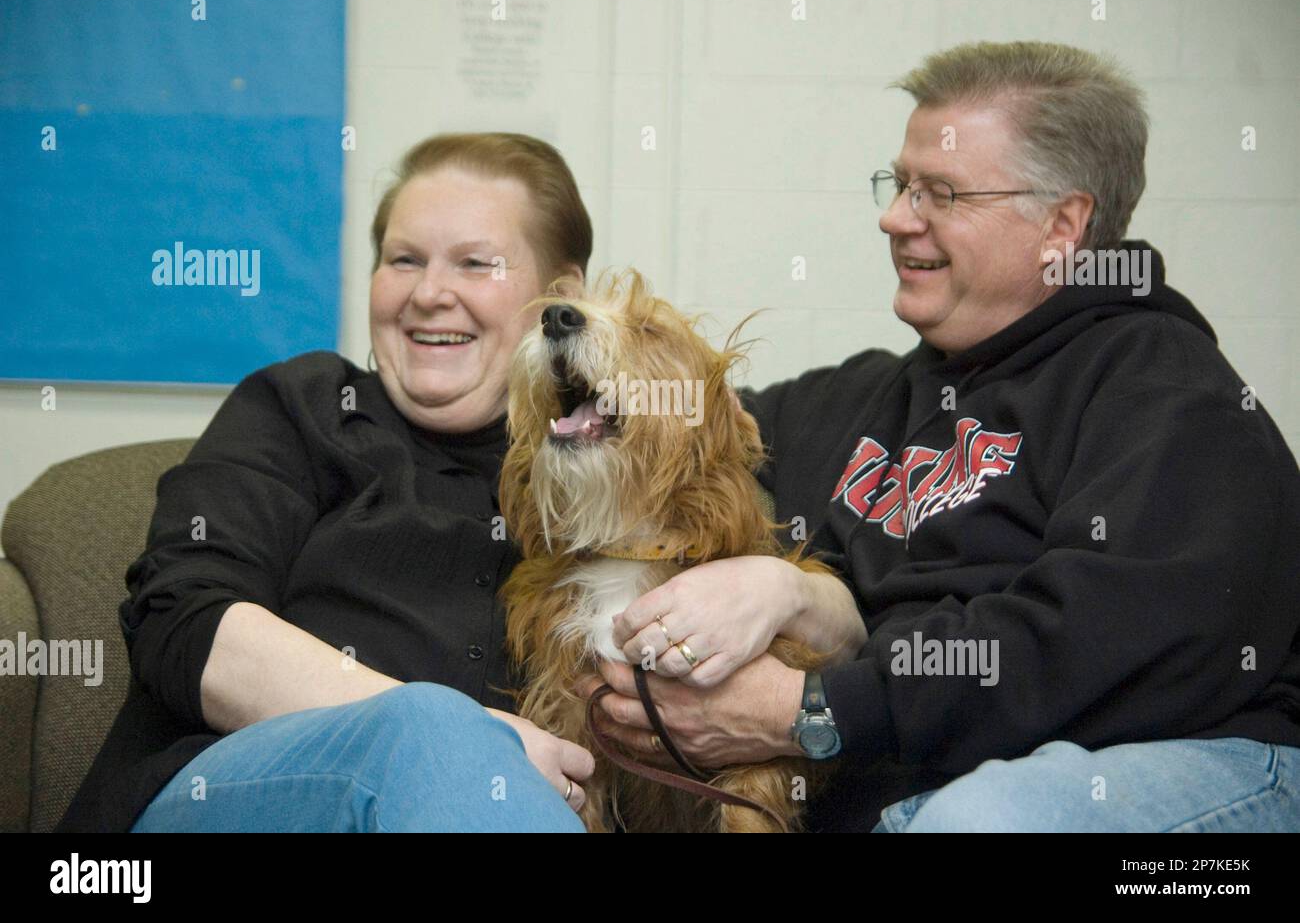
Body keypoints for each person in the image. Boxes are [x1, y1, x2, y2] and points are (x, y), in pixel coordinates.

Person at [583, 41, 1300, 832]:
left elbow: (1093, 647)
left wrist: (813, 709)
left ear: (1062, 224)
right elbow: (663, 428)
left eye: (941, 193)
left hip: (1182, 769)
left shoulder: (1166, 389)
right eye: (899, 185)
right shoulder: (870, 397)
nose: (894, 217)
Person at [58, 132, 600, 832]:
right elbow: (183, 620)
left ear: (561, 297)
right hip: (231, 799)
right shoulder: (303, 406)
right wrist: (474, 743)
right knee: (431, 728)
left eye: (474, 264)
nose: (429, 293)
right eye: (403, 259)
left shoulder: (601, 457)